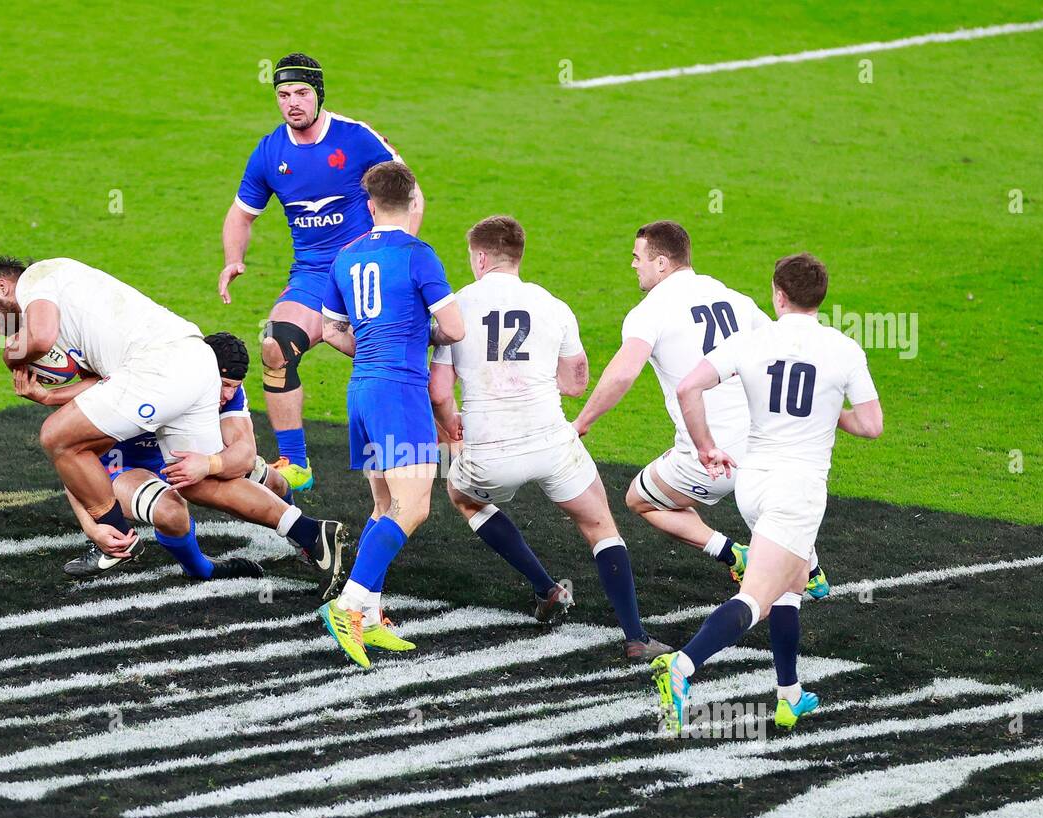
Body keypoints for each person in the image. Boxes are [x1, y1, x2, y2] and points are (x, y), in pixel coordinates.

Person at [0, 256, 348, 598]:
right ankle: (312, 534)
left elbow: (38, 338)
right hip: (191, 361)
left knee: (57, 437)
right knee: (199, 483)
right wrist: (48, 396)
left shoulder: (37, 278)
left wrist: (12, 358)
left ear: (4, 287)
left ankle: (114, 538)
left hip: (157, 368)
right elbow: (104, 381)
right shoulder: (75, 304)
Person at [655, 253, 883, 733]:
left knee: (792, 585)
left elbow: (688, 389)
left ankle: (789, 695)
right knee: (758, 597)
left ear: (778, 295)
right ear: (821, 298)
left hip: (752, 482)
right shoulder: (844, 349)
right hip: (796, 491)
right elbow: (871, 425)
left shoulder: (750, 342)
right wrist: (829, 414)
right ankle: (685, 665)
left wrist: (705, 447)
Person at [428, 215, 670, 662]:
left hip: (489, 451)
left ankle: (544, 587)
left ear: (479, 257)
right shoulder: (553, 305)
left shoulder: (455, 308)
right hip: (553, 443)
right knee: (600, 526)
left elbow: (439, 392)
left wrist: (453, 425)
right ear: (517, 256)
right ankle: (635, 636)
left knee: (463, 496)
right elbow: (576, 382)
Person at [573, 221, 830, 598]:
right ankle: (811, 569)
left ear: (661, 263)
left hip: (712, 455)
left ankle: (734, 554)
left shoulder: (650, 311)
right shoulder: (732, 297)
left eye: (637, 257)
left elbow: (623, 375)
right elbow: (784, 347)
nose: (633, 265)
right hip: (769, 444)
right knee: (772, 507)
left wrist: (582, 420)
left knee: (639, 499)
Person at [218, 53, 421, 492]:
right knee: (275, 344)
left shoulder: (356, 138)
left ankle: (441, 438)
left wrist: (399, 254)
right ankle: (296, 463)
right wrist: (233, 258)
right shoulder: (270, 152)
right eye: (283, 94)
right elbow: (240, 214)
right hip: (313, 275)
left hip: (366, 270)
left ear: (319, 93)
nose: (292, 103)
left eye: (301, 93)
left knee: (391, 360)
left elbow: (411, 193)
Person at [316, 162, 463, 668]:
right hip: (401, 393)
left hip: (361, 391)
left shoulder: (346, 255)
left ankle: (372, 618)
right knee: (414, 505)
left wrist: (375, 344)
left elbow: (332, 331)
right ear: (413, 203)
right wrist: (421, 333)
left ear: (371, 205)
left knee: (384, 505)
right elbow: (455, 326)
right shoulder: (419, 255)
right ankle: (349, 605)